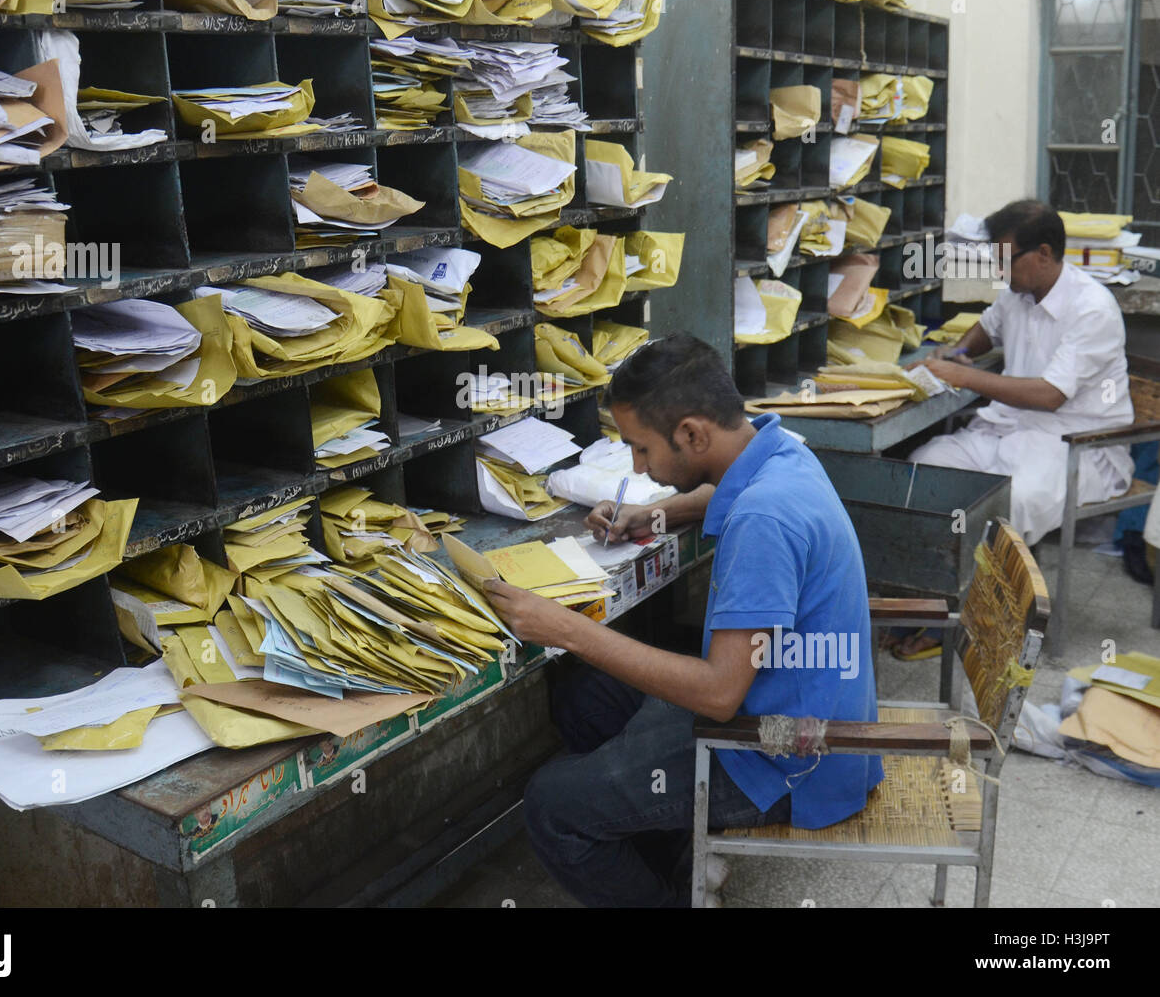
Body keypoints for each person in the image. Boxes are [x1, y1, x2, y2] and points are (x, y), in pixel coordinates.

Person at [484, 334, 882, 908]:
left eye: (642, 449)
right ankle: (679, 866)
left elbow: (719, 694)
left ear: (693, 433)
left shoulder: (763, 522)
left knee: (552, 806)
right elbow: (721, 490)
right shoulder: (780, 454)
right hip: (788, 712)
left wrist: (565, 628)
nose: (638, 466)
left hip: (788, 757)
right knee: (584, 693)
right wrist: (656, 512)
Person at [893, 199, 1134, 659]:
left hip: (1074, 446)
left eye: (1007, 259)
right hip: (1007, 430)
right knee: (926, 469)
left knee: (1013, 500)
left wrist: (966, 377)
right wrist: (957, 354)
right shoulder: (1018, 294)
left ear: (1044, 253)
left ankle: (972, 617)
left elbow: (1049, 395)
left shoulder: (1092, 309)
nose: (1001, 271)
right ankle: (936, 604)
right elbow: (985, 330)